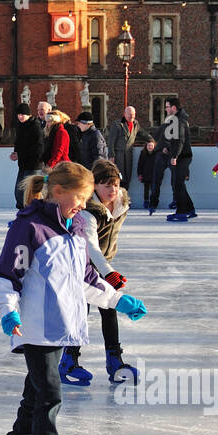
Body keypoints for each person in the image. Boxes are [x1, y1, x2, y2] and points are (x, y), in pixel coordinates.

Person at [0, 161, 147, 435]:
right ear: (58, 192)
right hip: (34, 328)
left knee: (35, 396)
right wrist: (9, 311)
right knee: (50, 397)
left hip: (59, 329)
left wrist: (118, 301)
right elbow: (7, 276)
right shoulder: (29, 228)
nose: (82, 205)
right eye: (79, 198)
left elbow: (87, 282)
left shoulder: (73, 232)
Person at [65, 158, 141, 385]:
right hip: (80, 265)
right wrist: (108, 273)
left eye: (115, 184)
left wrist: (107, 269)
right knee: (82, 309)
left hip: (102, 264)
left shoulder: (120, 204)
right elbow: (91, 246)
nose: (112, 189)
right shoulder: (87, 211)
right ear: (94, 186)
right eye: (107, 184)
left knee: (109, 308)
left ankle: (114, 361)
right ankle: (68, 361)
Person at [161, 98, 196, 222]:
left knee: (178, 184)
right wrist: (169, 148)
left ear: (174, 108)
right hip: (182, 155)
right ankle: (190, 209)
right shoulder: (178, 119)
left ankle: (181, 212)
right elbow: (176, 140)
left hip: (182, 157)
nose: (166, 109)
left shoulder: (178, 120)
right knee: (179, 183)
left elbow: (180, 140)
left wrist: (175, 156)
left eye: (167, 107)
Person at [10, 102, 45, 207]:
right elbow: (19, 143)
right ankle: (23, 215)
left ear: (28, 114)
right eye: (18, 114)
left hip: (34, 165)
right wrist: (15, 152)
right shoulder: (20, 126)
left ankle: (31, 216)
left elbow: (38, 148)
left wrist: (20, 155)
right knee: (19, 192)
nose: (20, 117)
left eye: (22, 114)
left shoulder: (35, 126)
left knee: (30, 194)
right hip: (23, 165)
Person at [106, 106, 145, 187]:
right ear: (124, 114)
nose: (132, 116)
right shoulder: (117, 124)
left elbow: (143, 134)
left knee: (128, 178)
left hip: (128, 156)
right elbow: (111, 141)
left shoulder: (135, 124)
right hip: (118, 156)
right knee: (119, 178)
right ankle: (118, 198)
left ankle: (125, 197)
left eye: (133, 114)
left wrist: (152, 141)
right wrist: (111, 156)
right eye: (130, 114)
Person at [136, 138, 157, 211]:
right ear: (146, 146)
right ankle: (146, 201)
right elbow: (140, 164)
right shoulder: (143, 153)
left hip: (154, 174)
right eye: (149, 145)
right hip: (145, 174)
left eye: (151, 145)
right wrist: (140, 174)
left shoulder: (156, 154)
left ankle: (152, 202)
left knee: (154, 189)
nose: (150, 147)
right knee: (146, 188)